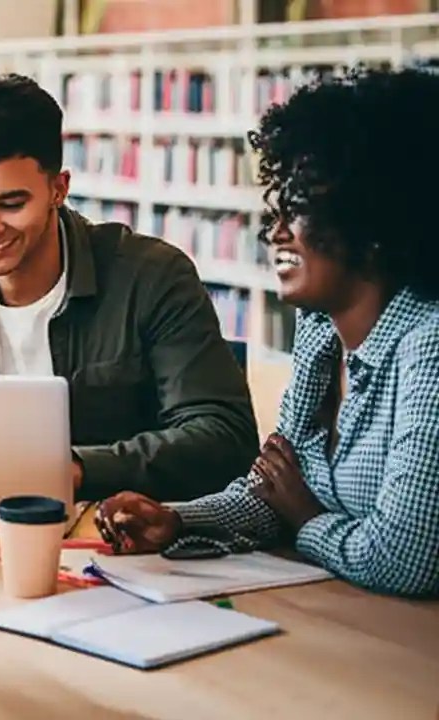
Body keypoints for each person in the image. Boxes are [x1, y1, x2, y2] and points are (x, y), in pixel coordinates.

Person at [95, 68, 439, 598]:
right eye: (277, 205)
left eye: (299, 209)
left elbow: (403, 559)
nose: (274, 231)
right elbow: (273, 490)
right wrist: (178, 521)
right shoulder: (320, 331)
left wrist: (306, 517)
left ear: (375, 222)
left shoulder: (429, 346)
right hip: (345, 616)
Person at [0, 73, 257, 502]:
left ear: (58, 189)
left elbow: (225, 440)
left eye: (11, 204)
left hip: (110, 542)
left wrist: (76, 469)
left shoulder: (153, 277)